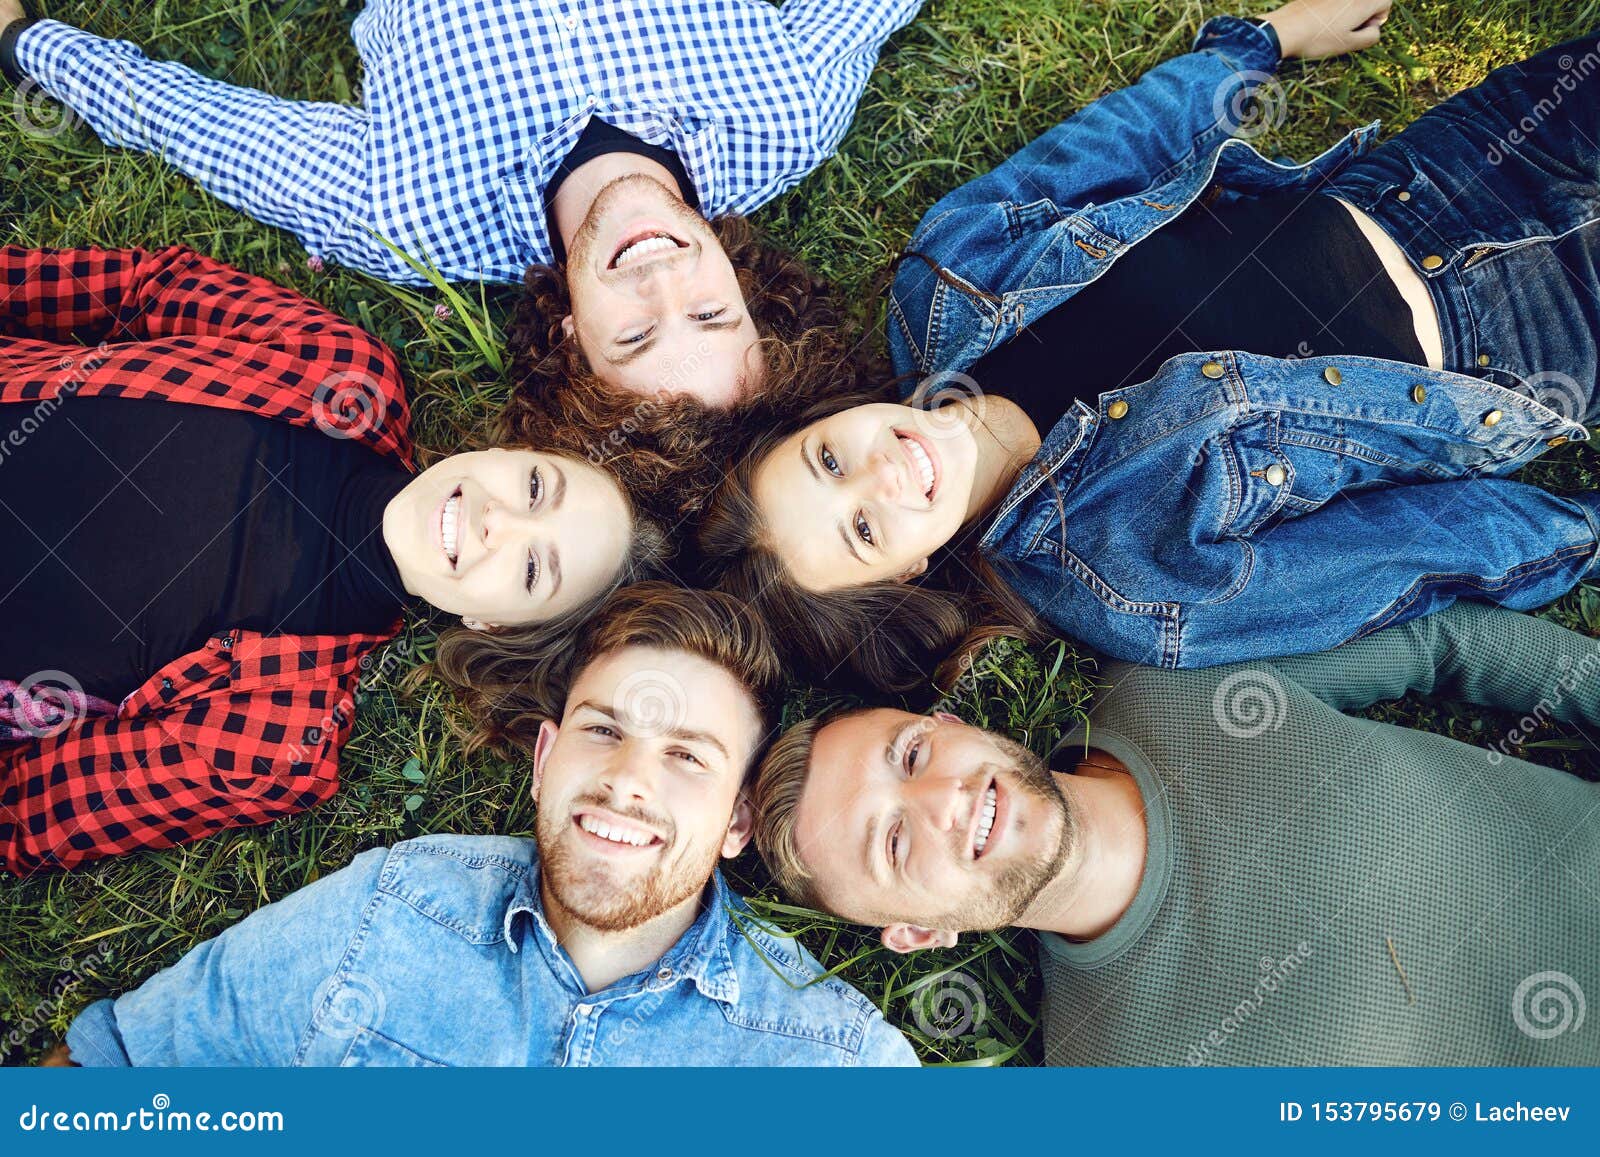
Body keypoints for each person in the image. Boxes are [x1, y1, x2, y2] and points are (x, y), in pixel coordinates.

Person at [699, 1, 1600, 693]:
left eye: (827, 459)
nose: (881, 474)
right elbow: (1400, 557)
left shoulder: (949, 278)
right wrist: (1584, 532)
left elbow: (1116, 142)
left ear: (824, 414)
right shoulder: (1127, 584)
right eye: (864, 529)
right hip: (1526, 351)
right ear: (906, 572)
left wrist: (1267, 40)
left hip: (1430, 177)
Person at [43, 584, 918, 1067]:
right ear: (544, 758)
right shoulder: (392, 912)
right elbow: (111, 1072)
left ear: (738, 821)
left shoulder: (831, 1061)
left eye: (688, 756)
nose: (625, 782)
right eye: (603, 730)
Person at [0, 244, 663, 876]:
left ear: (495, 625)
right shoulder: (344, 370)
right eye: (536, 487)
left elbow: (25, 813)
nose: (499, 520)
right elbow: (145, 289)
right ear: (511, 450)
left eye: (530, 569)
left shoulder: (276, 736)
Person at [750, 601, 1600, 1066]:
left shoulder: (1176, 682)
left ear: (946, 722)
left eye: (911, 753)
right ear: (920, 933)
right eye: (893, 843)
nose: (940, 797)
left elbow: (1435, 642)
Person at [0, 0, 923, 409]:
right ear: (748, 286)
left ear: (568, 337)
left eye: (635, 335)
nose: (659, 279)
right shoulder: (783, 112)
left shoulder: (411, 218)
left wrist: (24, 44)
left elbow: (206, 129)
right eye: (712, 312)